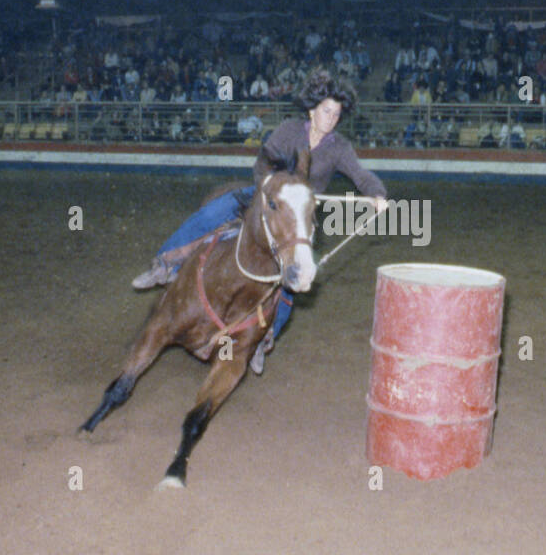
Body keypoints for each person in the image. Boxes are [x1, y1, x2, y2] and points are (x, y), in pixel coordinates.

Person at [130, 68, 389, 373]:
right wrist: (268, 190)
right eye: (326, 111)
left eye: (336, 114)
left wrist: (377, 194)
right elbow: (262, 162)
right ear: (312, 109)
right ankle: (165, 264)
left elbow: (361, 175)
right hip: (266, 196)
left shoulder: (339, 148)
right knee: (213, 213)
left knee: (294, 280)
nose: (331, 119)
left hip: (298, 218)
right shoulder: (289, 130)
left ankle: (263, 339)